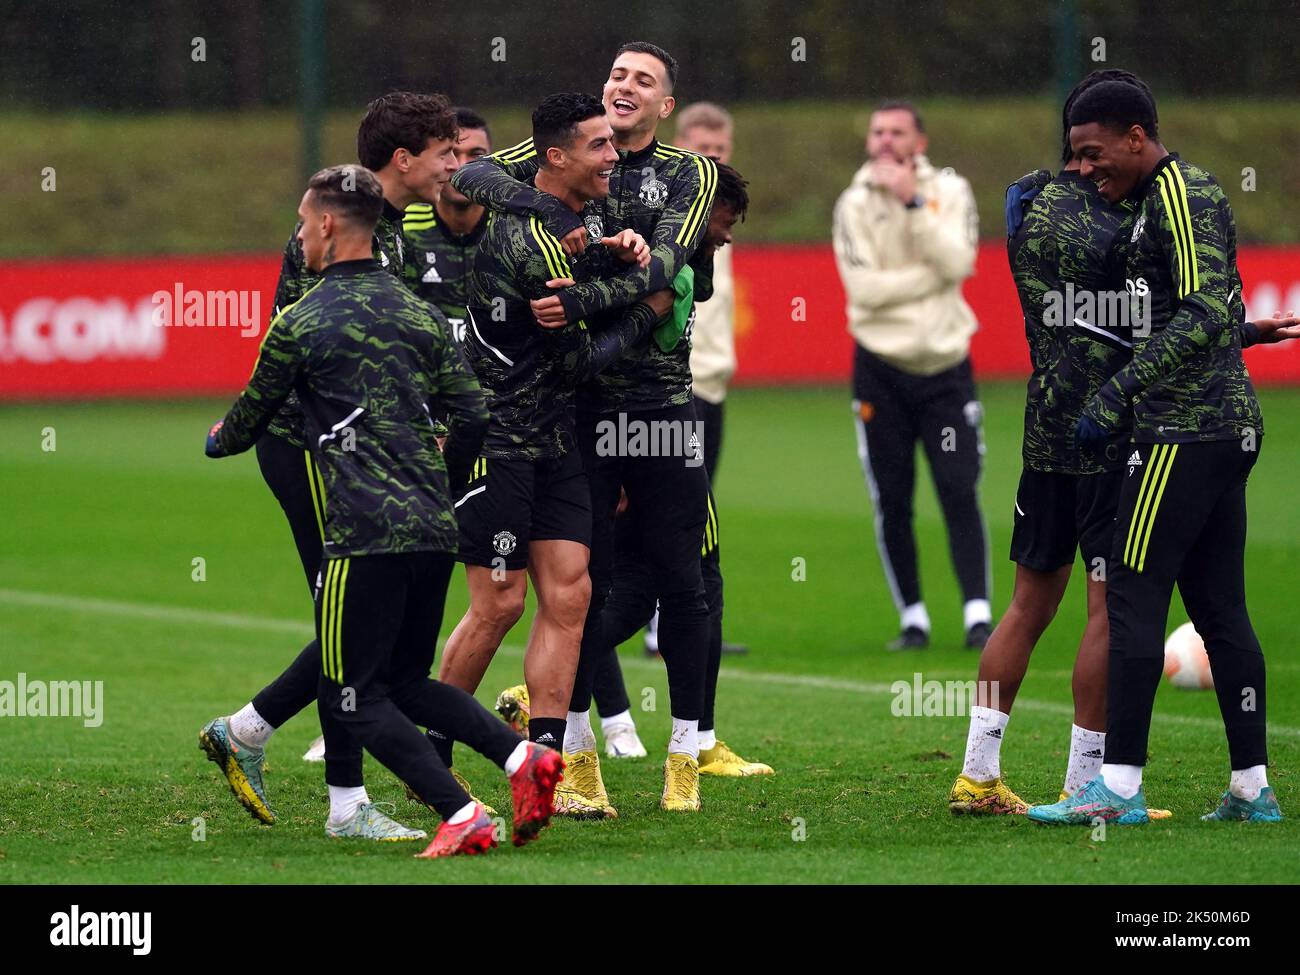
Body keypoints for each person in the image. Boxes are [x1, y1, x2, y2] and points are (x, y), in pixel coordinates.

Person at [204, 164, 563, 856]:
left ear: (331, 226)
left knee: (351, 694)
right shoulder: (424, 313)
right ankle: (527, 760)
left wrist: (215, 439)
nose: (302, 235)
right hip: (435, 523)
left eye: (306, 223)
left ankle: (460, 812)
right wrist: (441, 476)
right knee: (405, 681)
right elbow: (474, 414)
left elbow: (247, 423)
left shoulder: (299, 321)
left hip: (361, 533)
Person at [452, 41, 719, 812]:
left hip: (663, 404)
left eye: (643, 80)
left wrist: (593, 294)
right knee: (577, 586)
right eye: (616, 75)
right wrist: (553, 210)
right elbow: (471, 175)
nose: (624, 86)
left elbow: (671, 266)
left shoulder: (686, 172)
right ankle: (574, 764)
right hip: (579, 408)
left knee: (688, 576)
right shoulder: (572, 154)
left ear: (665, 105)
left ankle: (686, 758)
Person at [199, 92, 469, 834]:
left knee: (354, 620)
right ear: (404, 159)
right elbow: (303, 350)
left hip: (375, 454)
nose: (456, 164)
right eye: (446, 151)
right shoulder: (325, 229)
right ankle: (343, 800)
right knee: (348, 617)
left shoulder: (401, 236)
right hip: (314, 451)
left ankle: (251, 730)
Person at [1031, 78, 1286, 825]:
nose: (1083, 168)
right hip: (1216, 428)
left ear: (1137, 136)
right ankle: (1251, 789)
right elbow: (1211, 312)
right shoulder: (1156, 202)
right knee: (1220, 611)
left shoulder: (1182, 191)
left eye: (1092, 151)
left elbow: (1206, 303)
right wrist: (1242, 333)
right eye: (1075, 157)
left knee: (1133, 599)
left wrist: (1117, 394)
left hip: (1179, 431)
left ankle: (1120, 787)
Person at [833, 100, 991, 651]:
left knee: (958, 486)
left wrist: (913, 204)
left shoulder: (951, 191)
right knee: (893, 496)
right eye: (876, 131)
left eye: (896, 132)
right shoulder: (852, 203)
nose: (884, 140)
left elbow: (960, 263)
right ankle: (915, 619)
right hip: (880, 370)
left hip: (946, 366)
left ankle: (977, 613)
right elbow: (863, 290)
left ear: (919, 142)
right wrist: (929, 276)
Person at [402, 106, 493, 341]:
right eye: (451, 153)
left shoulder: (512, 230)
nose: (462, 166)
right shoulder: (403, 227)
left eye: (476, 155)